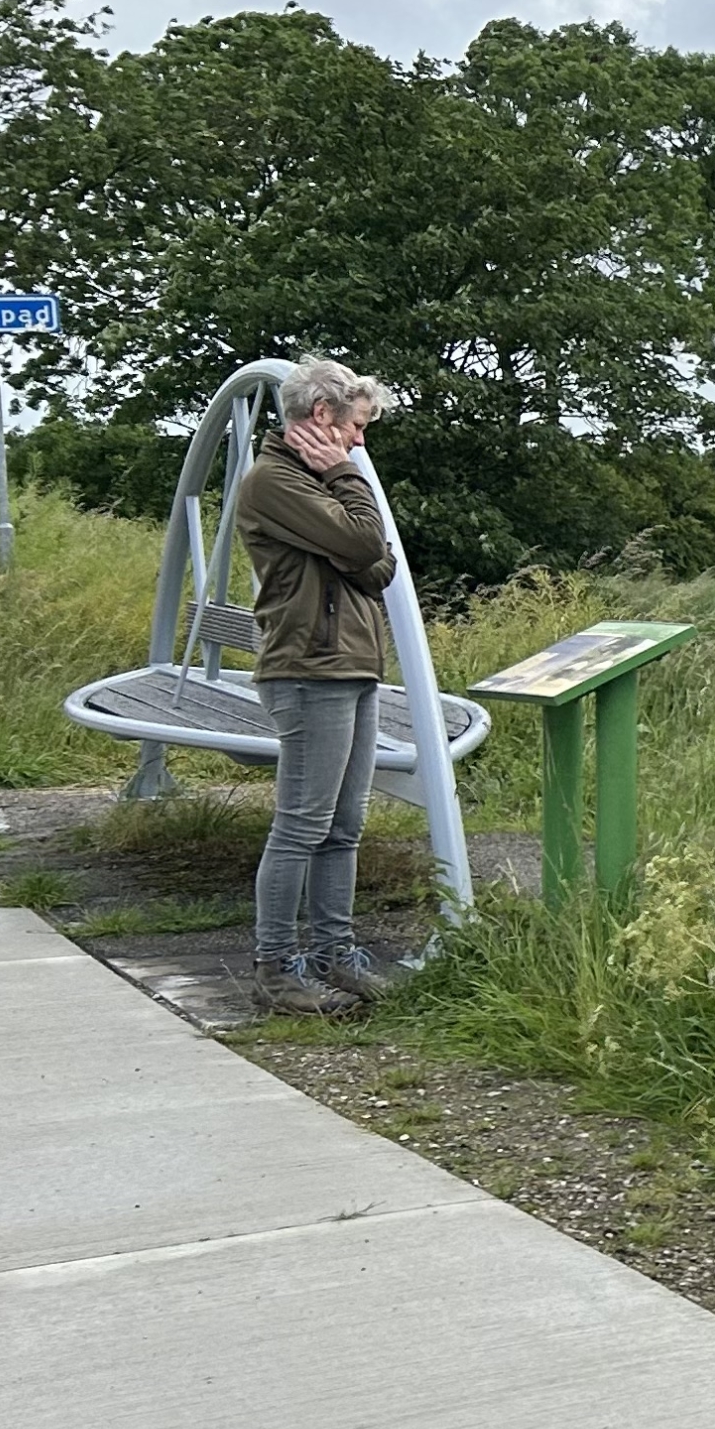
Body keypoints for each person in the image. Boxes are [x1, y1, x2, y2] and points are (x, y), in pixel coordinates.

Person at [237, 357, 407, 1016]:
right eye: (355, 428)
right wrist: (343, 477)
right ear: (320, 418)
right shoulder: (275, 482)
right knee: (301, 826)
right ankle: (276, 968)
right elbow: (366, 543)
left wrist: (354, 539)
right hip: (310, 671)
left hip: (351, 666)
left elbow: (380, 566)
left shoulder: (316, 482)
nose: (360, 443)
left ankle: (337, 956)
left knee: (344, 826)